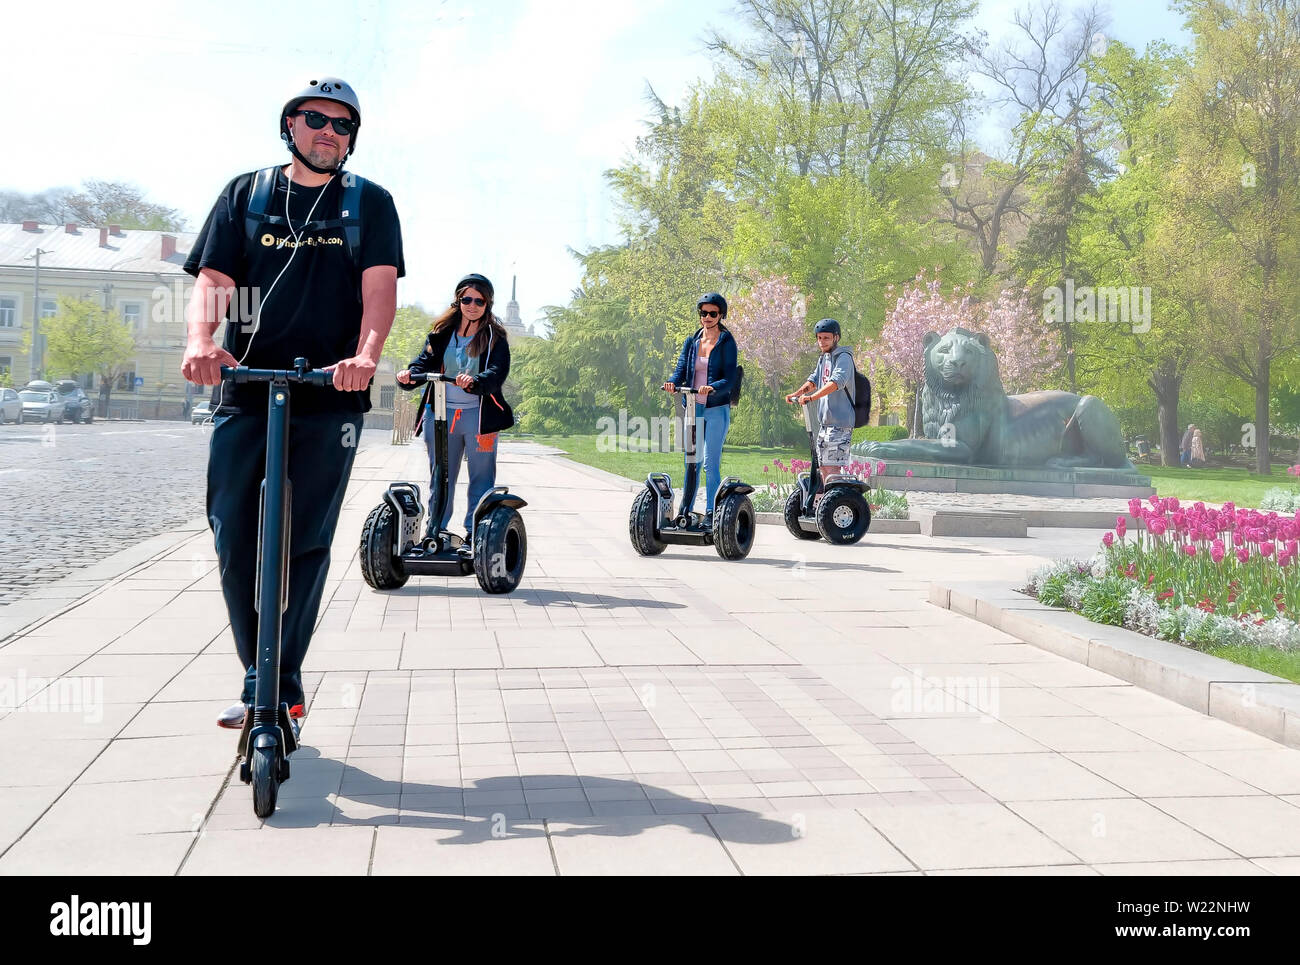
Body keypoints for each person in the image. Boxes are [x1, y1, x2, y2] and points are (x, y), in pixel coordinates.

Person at [181, 77, 404, 729]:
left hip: (329, 393)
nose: (329, 133)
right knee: (232, 534)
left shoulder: (370, 204)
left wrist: (365, 357)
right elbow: (216, 279)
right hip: (247, 387)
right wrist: (201, 340)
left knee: (305, 539)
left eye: (342, 126)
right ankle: (263, 674)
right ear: (290, 126)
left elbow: (378, 291)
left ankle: (278, 683)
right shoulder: (245, 196)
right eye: (316, 120)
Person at [397, 274, 514, 540]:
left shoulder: (495, 338)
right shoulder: (441, 335)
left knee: (481, 477)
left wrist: (475, 381)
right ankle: (436, 528)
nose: (472, 305)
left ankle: (477, 532)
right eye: (467, 299)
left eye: (479, 301)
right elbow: (422, 364)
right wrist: (407, 375)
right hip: (440, 414)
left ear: (488, 304)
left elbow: (497, 373)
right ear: (458, 300)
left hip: (480, 418)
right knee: (441, 475)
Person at [662, 293, 738, 524]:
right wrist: (673, 383)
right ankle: (685, 511)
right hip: (693, 408)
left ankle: (712, 512)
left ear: (721, 315)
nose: (707, 317)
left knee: (710, 464)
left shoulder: (727, 342)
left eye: (712, 313)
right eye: (703, 313)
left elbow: (730, 378)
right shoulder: (692, 341)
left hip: (716, 410)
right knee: (690, 462)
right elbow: (681, 368)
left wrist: (711, 387)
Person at [785, 318, 856, 490]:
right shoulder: (824, 358)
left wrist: (811, 398)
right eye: (819, 338)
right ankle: (828, 501)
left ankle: (838, 499)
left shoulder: (843, 358)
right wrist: (797, 393)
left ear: (836, 338)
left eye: (826, 338)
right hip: (825, 423)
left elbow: (835, 383)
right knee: (823, 466)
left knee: (833, 467)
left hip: (840, 423)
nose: (822, 342)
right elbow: (814, 381)